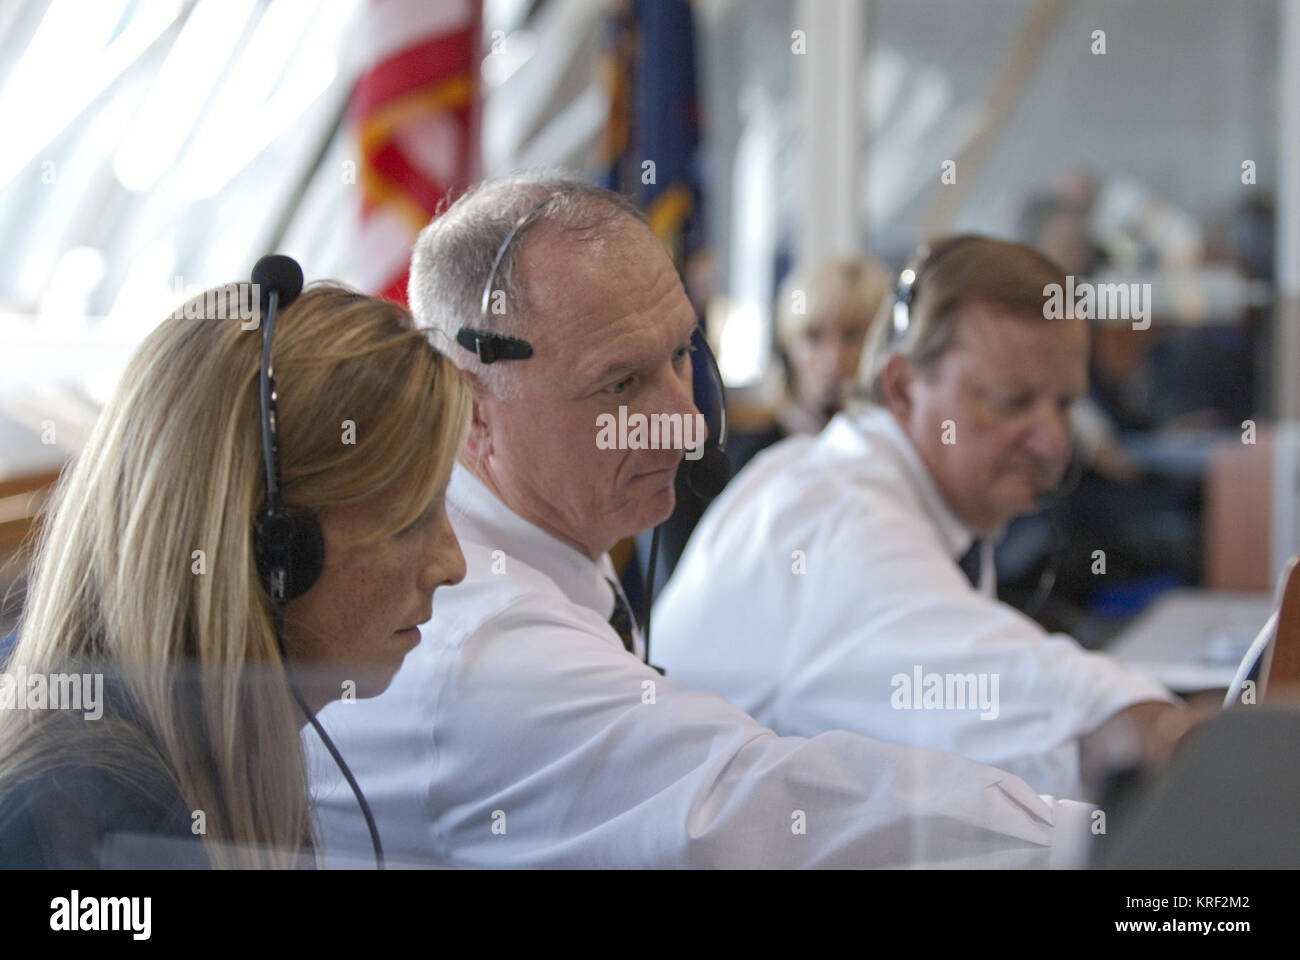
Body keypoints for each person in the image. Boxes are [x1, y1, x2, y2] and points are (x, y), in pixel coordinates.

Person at [309, 174, 1099, 869]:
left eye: (684, 355)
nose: (686, 425)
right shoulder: (476, 640)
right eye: (621, 384)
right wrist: (1091, 845)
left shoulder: (535, 556)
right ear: (470, 406)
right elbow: (752, 813)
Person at [653, 235, 1195, 801]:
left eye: (1064, 405)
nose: (1052, 441)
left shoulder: (873, 487)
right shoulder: (835, 516)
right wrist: (1175, 734)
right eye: (1012, 402)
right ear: (904, 389)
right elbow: (1020, 695)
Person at [0, 282, 467, 868]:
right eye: (408, 520)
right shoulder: (100, 821)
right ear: (274, 550)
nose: (452, 565)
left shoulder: (197, 747)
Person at [726, 256, 893, 477]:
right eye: (813, 337)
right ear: (788, 347)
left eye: (852, 336)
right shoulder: (750, 460)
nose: (832, 359)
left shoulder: (891, 459)